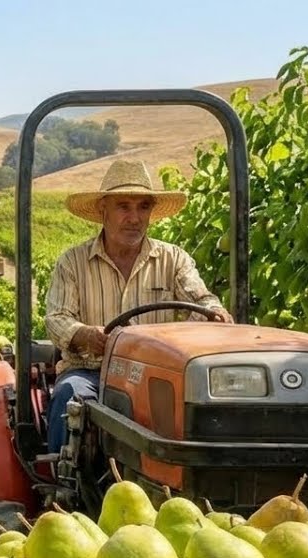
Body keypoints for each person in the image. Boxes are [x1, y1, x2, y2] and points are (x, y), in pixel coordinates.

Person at [44, 159, 233, 453]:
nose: (134, 217)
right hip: (93, 372)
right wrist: (85, 335)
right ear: (103, 210)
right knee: (71, 394)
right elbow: (58, 318)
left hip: (157, 375)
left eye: (143, 207)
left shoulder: (173, 259)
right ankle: (64, 487)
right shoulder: (74, 262)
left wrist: (215, 313)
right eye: (124, 206)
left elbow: (201, 300)